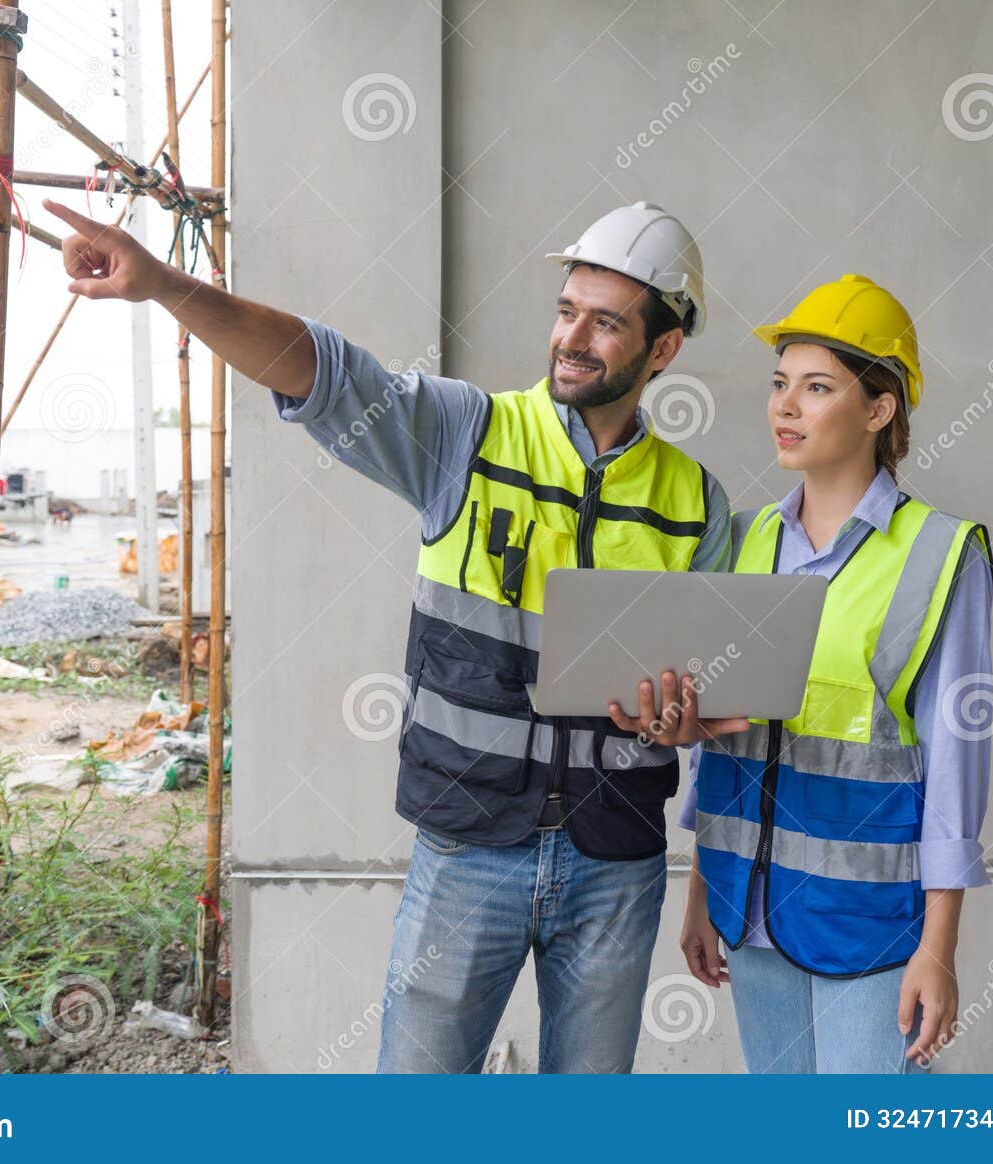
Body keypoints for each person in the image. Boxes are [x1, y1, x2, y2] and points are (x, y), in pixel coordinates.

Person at [42, 198, 734, 1073]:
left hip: (617, 865)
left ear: (662, 348)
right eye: (566, 311)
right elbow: (322, 371)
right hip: (470, 853)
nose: (571, 338)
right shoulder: (466, 434)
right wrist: (167, 287)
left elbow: (710, 699)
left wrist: (685, 720)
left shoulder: (696, 503)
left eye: (605, 324)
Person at [608, 275, 993, 1073]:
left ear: (879, 408)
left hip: (870, 924)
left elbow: (958, 763)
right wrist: (701, 895)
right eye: (780, 385)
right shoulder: (746, 542)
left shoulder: (938, 554)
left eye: (817, 388)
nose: (785, 407)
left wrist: (940, 948)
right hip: (749, 913)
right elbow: (725, 746)